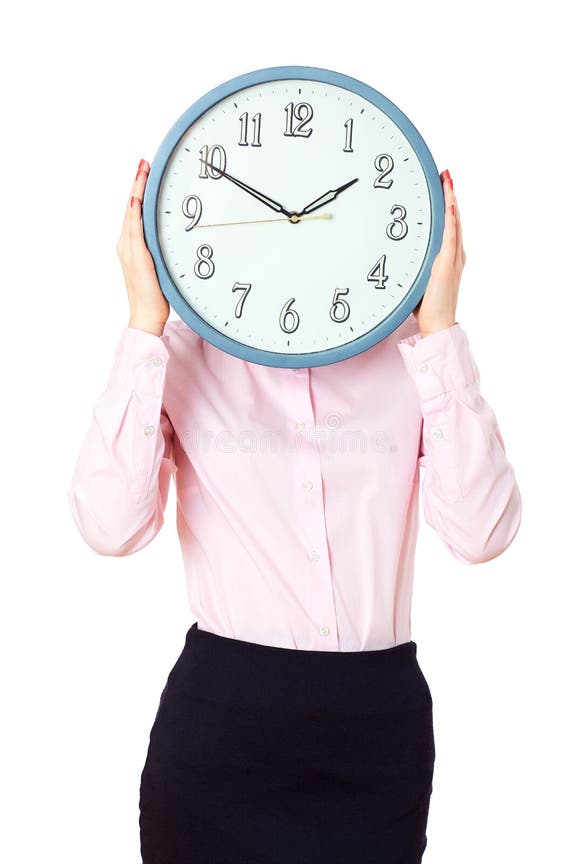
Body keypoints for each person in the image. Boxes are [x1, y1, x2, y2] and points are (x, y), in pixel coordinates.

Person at [68, 159, 522, 863]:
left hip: (377, 733)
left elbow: (483, 532)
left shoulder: (417, 353)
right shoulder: (180, 349)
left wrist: (442, 332)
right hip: (221, 731)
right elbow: (110, 526)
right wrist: (143, 326)